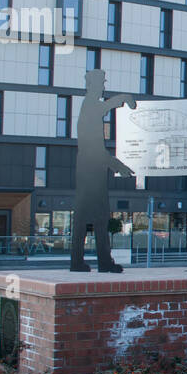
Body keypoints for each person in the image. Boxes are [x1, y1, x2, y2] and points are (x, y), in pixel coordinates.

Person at [70, 69, 135, 272]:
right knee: (94, 218)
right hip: (92, 170)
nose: (103, 87)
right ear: (91, 85)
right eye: (101, 84)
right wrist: (119, 166)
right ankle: (99, 262)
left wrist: (120, 100)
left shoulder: (90, 106)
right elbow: (96, 148)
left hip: (89, 169)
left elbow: (104, 108)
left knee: (92, 218)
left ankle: (85, 262)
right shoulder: (90, 106)